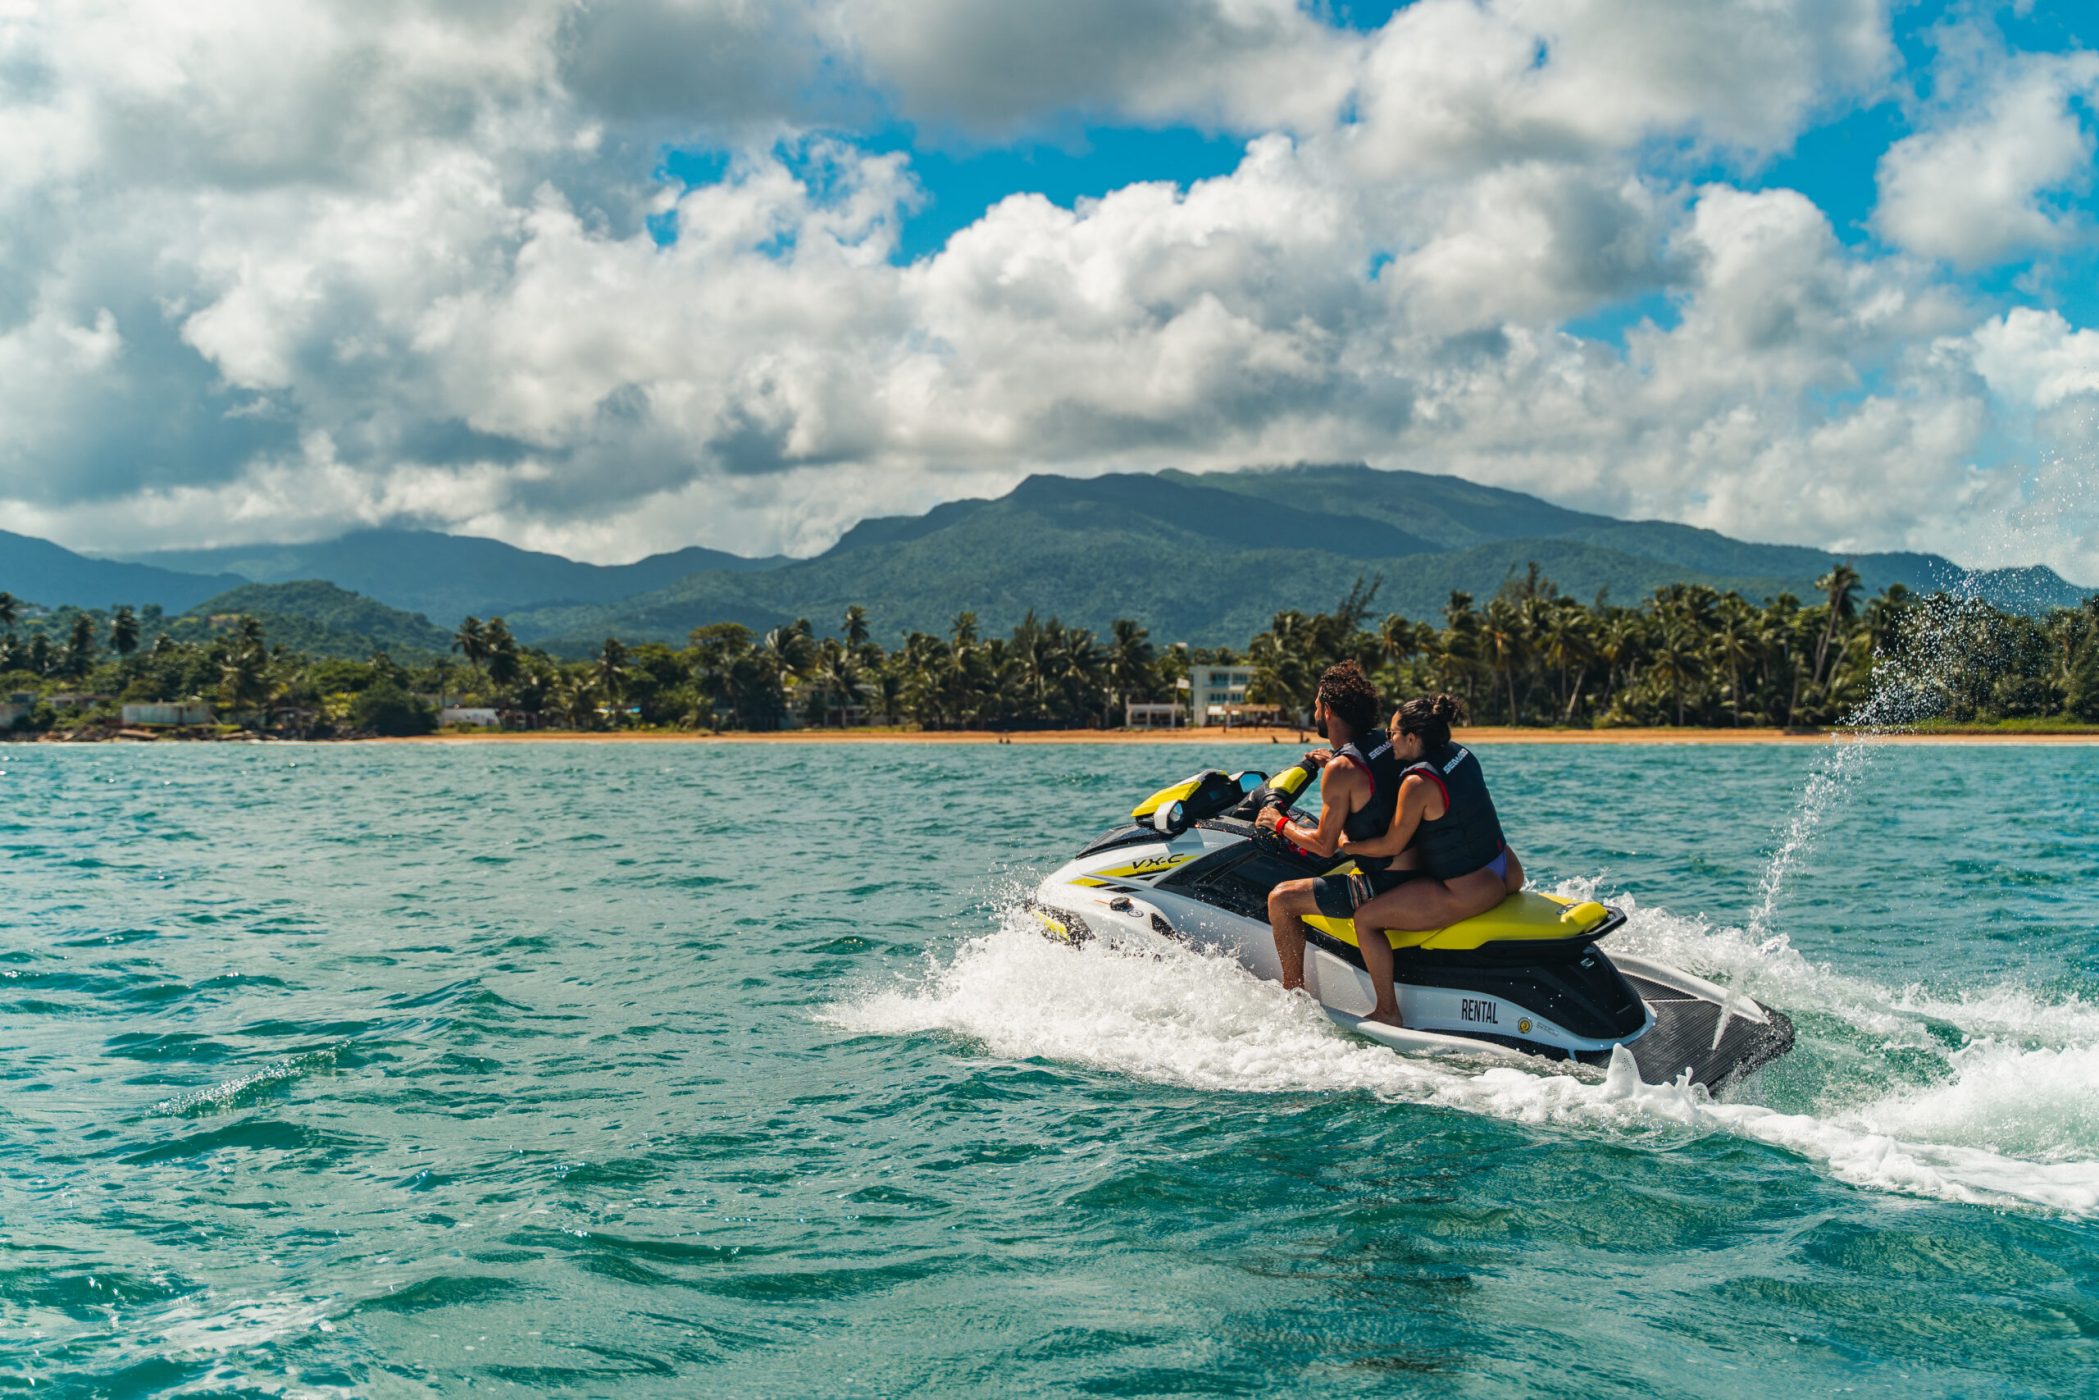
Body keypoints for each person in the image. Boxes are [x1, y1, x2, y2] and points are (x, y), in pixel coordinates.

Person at [1337, 693, 1525, 1027]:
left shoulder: (1417, 783)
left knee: (1366, 919)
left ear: (1412, 738)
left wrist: (1348, 846)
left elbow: (1391, 845)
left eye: (1393, 733)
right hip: (1507, 870)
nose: (1388, 740)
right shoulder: (1460, 754)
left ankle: (1387, 1011)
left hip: (1471, 890)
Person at [1259, 661, 1408, 995]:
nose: (1315, 712)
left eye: (1316, 705)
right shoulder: (1384, 742)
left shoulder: (1343, 768)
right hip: (1413, 864)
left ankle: (1293, 996)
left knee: (1281, 899)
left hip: (1385, 882)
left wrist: (1278, 822)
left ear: (1327, 710)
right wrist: (1337, 759)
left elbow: (1324, 846)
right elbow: (1371, 781)